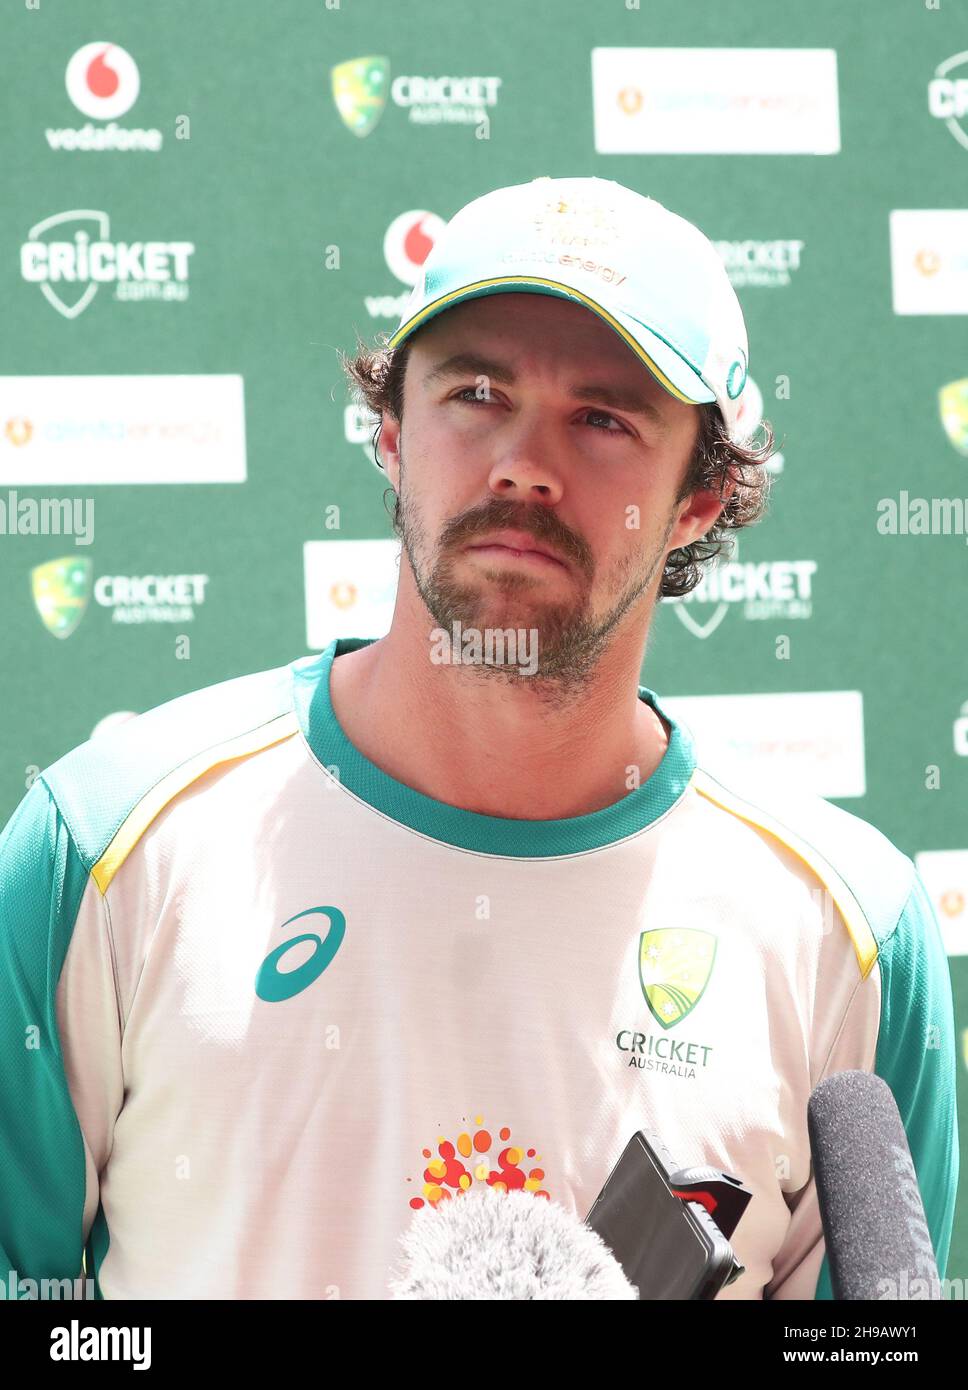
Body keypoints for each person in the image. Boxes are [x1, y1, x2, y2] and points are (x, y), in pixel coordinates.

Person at [0, 176, 958, 1300]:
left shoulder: (846, 930)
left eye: (600, 418)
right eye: (475, 391)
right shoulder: (105, 845)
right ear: (393, 434)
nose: (522, 464)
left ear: (699, 498)